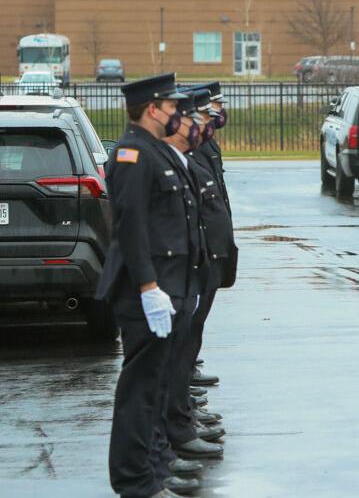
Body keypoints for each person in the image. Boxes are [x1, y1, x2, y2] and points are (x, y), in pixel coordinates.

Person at [95, 74, 203, 498]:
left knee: (156, 388)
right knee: (139, 393)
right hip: (148, 292)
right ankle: (135, 482)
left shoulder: (157, 151)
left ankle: (154, 474)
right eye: (172, 106)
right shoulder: (132, 154)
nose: (179, 113)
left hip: (169, 288)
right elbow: (132, 226)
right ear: (153, 108)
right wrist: (147, 286)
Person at [162, 89, 229, 464]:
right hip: (167, 278)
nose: (209, 120)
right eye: (199, 115)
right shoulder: (144, 158)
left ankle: (180, 420)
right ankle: (164, 449)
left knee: (184, 349)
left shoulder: (188, 156)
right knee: (158, 371)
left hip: (193, 268)